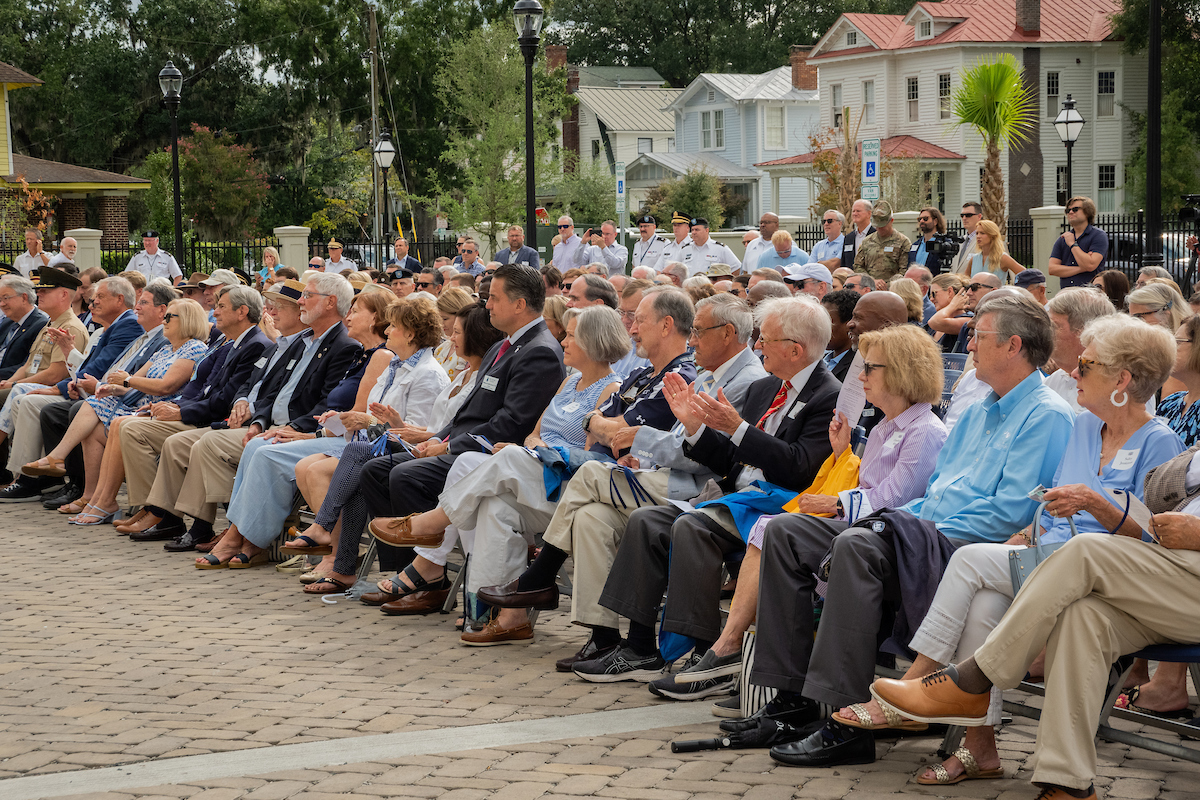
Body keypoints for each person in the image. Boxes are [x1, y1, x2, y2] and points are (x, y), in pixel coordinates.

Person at [842, 314, 1181, 785]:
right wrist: (1021, 539)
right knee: (982, 593)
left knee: (968, 560)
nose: (1074, 372)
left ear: (1122, 380)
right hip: (1049, 559)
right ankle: (979, 748)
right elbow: (1047, 508)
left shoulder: (1161, 441)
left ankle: (920, 687)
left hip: (1104, 577)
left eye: (1086, 365)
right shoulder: (1085, 427)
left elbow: (1154, 541)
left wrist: (1096, 506)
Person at [752, 292, 1074, 768]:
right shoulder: (981, 409)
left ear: (1013, 346)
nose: (968, 345)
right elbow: (937, 490)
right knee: (786, 532)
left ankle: (845, 722)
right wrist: (904, 521)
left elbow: (1010, 513)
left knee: (857, 544)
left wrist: (913, 525)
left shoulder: (1045, 415)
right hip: (923, 532)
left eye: (980, 337)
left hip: (965, 546)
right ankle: (791, 696)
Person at [868, 443, 1200, 800]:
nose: (1075, 381)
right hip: (1171, 572)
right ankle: (1067, 781)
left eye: (1084, 379)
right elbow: (1159, 488)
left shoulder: (1151, 433)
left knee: (1085, 550)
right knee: (1083, 616)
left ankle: (971, 681)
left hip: (1187, 576)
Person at [642, 323, 947, 701]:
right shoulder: (887, 426)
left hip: (889, 540)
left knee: (775, 530)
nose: (861, 376)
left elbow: (896, 499)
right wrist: (842, 456)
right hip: (863, 526)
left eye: (871, 368)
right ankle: (743, 658)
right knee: (767, 529)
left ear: (902, 372)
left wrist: (837, 502)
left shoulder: (924, 430)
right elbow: (869, 486)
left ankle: (744, 659)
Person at [547, 295, 841, 683]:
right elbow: (726, 461)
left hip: (778, 505)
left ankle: (705, 650)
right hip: (733, 496)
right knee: (647, 521)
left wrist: (737, 429)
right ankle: (638, 647)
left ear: (795, 349)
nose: (758, 347)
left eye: (765, 341)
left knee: (691, 528)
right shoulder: (766, 388)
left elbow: (799, 467)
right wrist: (696, 428)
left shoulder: (828, 395)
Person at [480, 292, 771, 667]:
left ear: (728, 333)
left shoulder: (744, 380)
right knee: (589, 518)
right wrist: (641, 449)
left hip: (702, 491)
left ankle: (540, 574)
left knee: (586, 473)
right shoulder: (710, 374)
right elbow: (644, 431)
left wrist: (640, 438)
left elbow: (704, 455)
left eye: (698, 331)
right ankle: (604, 638)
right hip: (664, 476)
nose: (693, 339)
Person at [366, 306, 629, 626]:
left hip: (567, 485)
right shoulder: (568, 383)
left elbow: (589, 455)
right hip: (537, 473)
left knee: (499, 459)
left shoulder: (610, 390)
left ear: (593, 341)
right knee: (484, 491)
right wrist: (532, 448)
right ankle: (494, 612)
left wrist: (534, 451)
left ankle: (432, 531)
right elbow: (534, 434)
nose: (563, 341)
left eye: (572, 335)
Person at [349, 265, 566, 577]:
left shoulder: (539, 352)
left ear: (519, 305)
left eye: (494, 298)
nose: (487, 304)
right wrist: (438, 438)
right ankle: (402, 569)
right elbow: (469, 410)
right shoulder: (502, 346)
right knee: (375, 470)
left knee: (403, 476)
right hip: (461, 444)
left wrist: (449, 445)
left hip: (488, 454)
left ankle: (427, 576)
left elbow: (511, 423)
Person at [126, 274, 363, 550]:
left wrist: (290, 427)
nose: (298, 304)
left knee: (228, 446)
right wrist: (259, 420)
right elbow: (261, 391)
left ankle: (243, 536)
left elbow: (326, 405)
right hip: (266, 424)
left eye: (302, 298)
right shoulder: (298, 343)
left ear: (330, 302)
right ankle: (196, 522)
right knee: (213, 443)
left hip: (301, 431)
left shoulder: (334, 345)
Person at [215, 295, 447, 573]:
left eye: (393, 326)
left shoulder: (425, 373)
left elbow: (413, 437)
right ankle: (333, 552)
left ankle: (333, 553)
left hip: (388, 451)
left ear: (410, 333)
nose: (386, 331)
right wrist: (350, 421)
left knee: (316, 470)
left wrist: (363, 422)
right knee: (304, 466)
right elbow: (376, 418)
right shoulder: (396, 366)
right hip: (366, 444)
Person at [290, 303, 503, 587]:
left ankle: (327, 537)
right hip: (405, 443)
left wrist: (380, 424)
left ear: (411, 333)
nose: (386, 331)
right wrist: (378, 422)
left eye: (456, 332)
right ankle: (340, 562)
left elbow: (437, 430)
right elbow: (429, 427)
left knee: (358, 459)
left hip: (420, 449)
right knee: (363, 471)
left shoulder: (432, 374)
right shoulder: (412, 368)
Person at [24, 299, 210, 522]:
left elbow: (166, 386)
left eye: (170, 317)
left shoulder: (195, 348)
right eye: (165, 316)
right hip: (138, 406)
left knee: (106, 419)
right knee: (93, 419)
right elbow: (131, 383)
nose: (164, 320)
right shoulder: (165, 349)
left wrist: (128, 381)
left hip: (161, 410)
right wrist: (111, 388)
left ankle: (89, 488)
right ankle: (95, 498)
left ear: (188, 320)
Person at [1048, 196, 1108, 288]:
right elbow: (1052, 269)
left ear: (1087, 212)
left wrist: (1073, 244)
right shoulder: (1063, 239)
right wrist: (1081, 268)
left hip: (1090, 293)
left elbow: (1090, 265)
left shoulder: (1098, 236)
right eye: (1068, 211)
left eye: (1075, 209)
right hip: (1067, 294)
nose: (1070, 212)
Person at [0, 275, 50, 380]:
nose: (2, 304)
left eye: (5, 298)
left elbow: (28, 366)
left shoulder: (40, 325)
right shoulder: (7, 322)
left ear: (24, 298)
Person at [853, 201, 911, 281]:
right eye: (877, 226)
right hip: (870, 287)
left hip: (893, 288)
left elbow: (905, 270)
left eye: (883, 226)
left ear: (891, 221)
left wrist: (888, 284)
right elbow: (858, 266)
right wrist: (872, 281)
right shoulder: (867, 241)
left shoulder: (903, 242)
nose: (880, 229)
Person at [821, 289, 858, 382]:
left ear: (849, 324)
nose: (819, 329)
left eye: (826, 323)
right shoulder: (819, 359)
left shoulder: (856, 369)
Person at [841, 200, 874, 270]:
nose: (855, 214)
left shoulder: (876, 235)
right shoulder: (848, 238)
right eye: (853, 211)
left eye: (858, 211)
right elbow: (843, 263)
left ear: (869, 214)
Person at [951, 202, 982, 274]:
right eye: (962, 215)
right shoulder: (960, 241)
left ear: (979, 216)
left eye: (968, 215)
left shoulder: (986, 240)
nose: (964, 218)